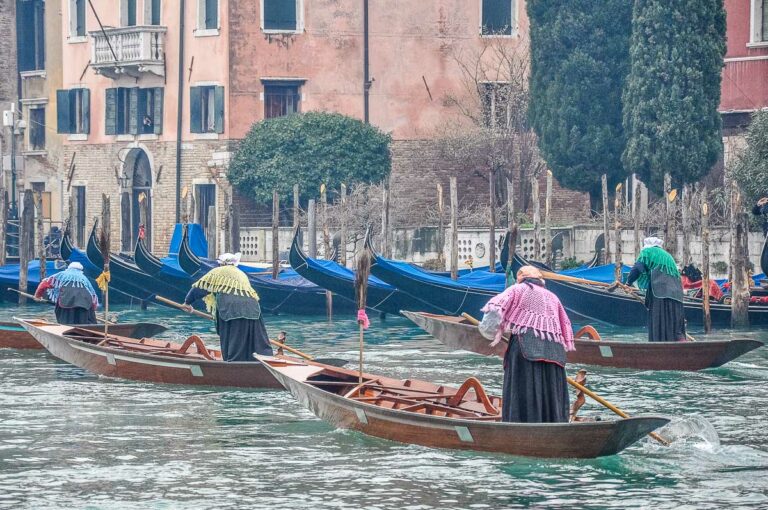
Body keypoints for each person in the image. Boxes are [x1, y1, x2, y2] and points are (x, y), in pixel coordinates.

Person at [480, 265, 574, 424]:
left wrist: (487, 332)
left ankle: (523, 427)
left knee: (524, 387)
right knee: (551, 391)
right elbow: (565, 327)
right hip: (555, 351)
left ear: (521, 278)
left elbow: (495, 309)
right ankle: (555, 425)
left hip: (526, 347)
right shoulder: (553, 297)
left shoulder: (517, 289)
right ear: (540, 280)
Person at [183, 252, 272, 361]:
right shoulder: (241, 274)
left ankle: (233, 362)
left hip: (231, 310)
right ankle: (263, 359)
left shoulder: (217, 272)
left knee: (233, 339)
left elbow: (199, 287)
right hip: (253, 309)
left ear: (221, 264)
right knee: (256, 339)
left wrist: (187, 302)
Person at [626, 237, 686, 342]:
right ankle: (680, 341)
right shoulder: (667, 255)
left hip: (660, 291)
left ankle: (661, 344)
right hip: (677, 293)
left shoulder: (647, 251)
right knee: (675, 323)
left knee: (660, 319)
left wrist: (628, 283)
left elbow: (637, 267)